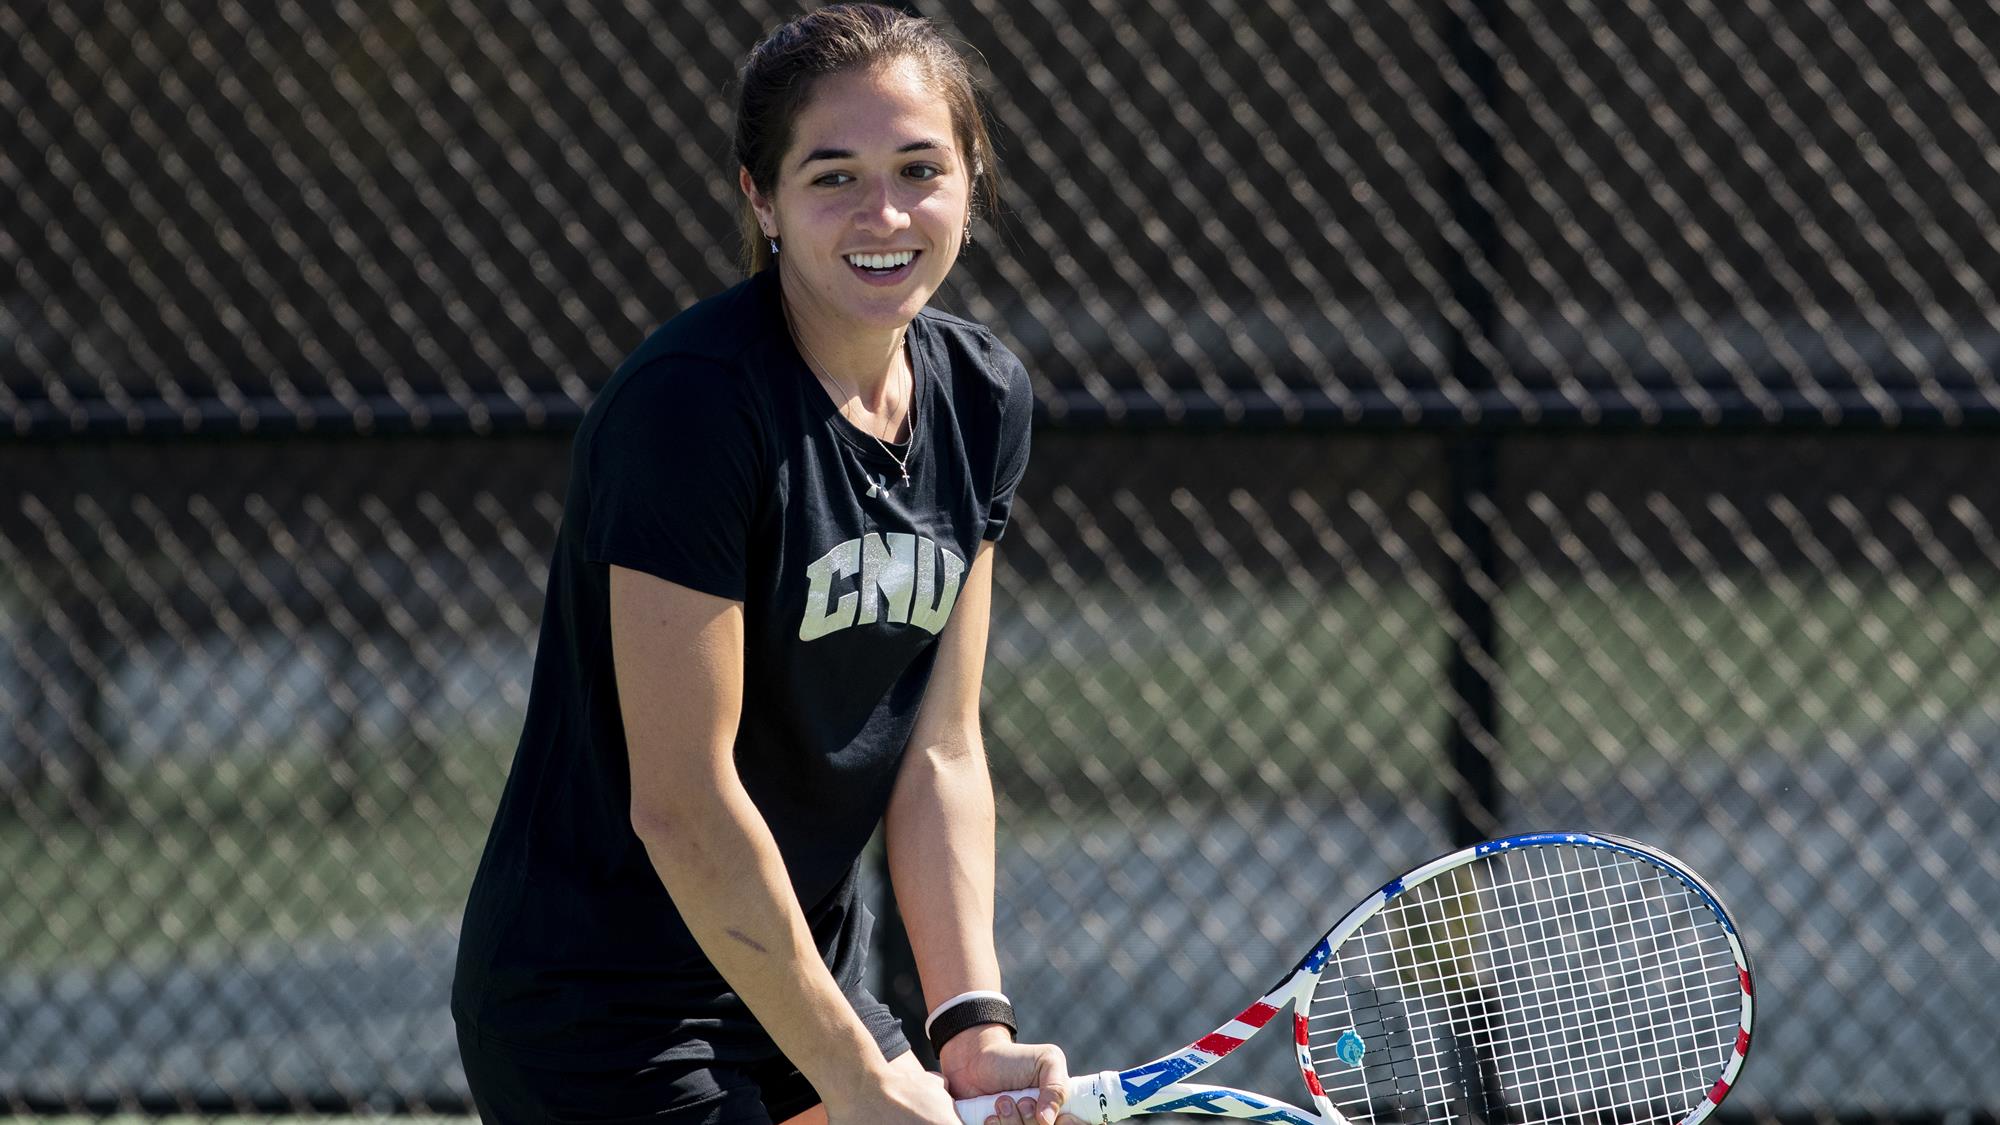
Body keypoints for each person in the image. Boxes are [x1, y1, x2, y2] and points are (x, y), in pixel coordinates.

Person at [450, 6, 1081, 1124]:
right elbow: (684, 804)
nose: (882, 213)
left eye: (918, 168)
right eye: (831, 176)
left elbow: (937, 749)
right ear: (761, 198)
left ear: (969, 183)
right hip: (604, 1015)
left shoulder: (984, 399)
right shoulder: (689, 410)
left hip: (804, 989)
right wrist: (855, 1079)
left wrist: (968, 1026)